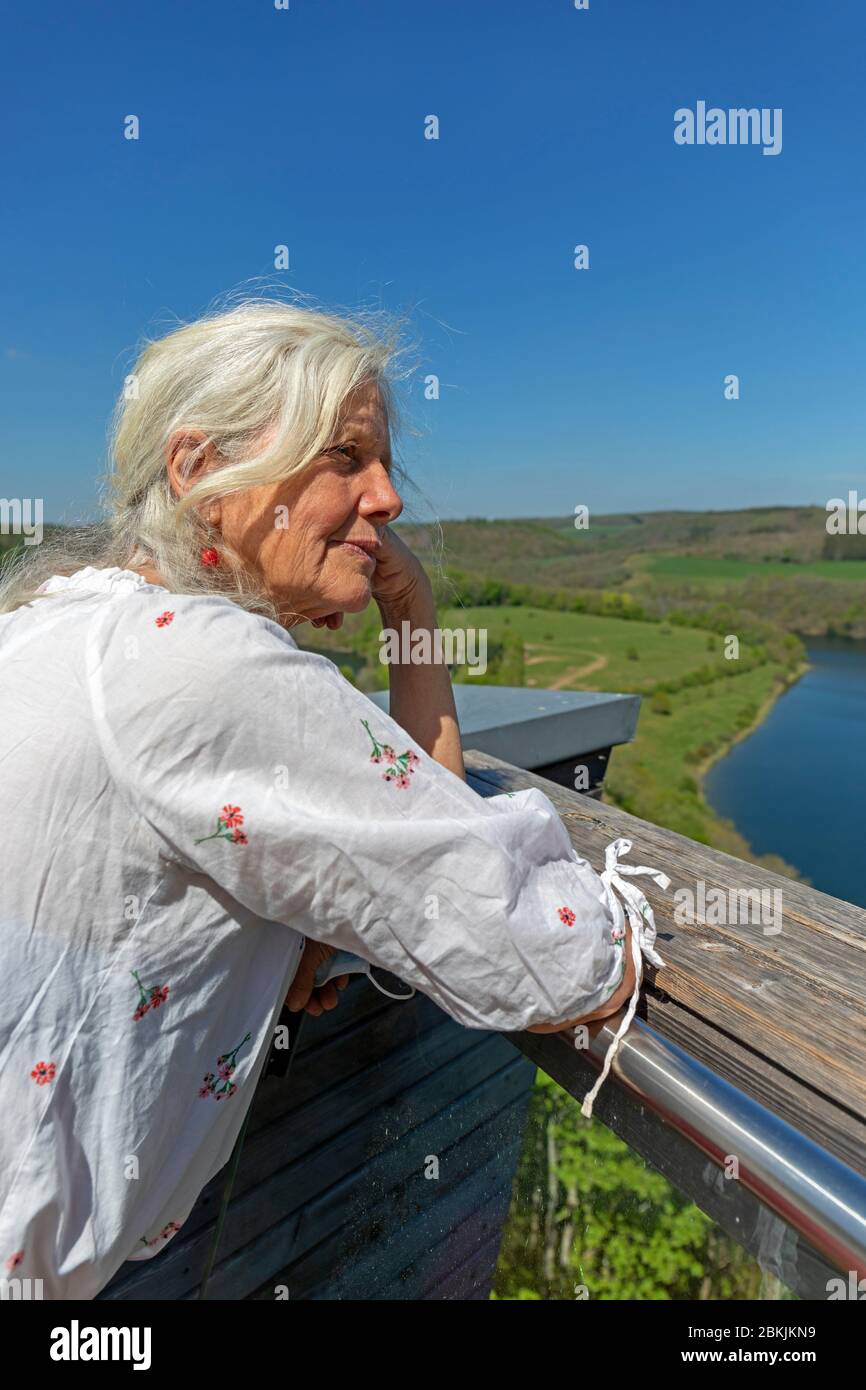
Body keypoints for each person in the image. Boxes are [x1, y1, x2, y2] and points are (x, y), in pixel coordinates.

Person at [0, 296, 666, 1298]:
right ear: (197, 472)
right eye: (344, 457)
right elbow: (547, 951)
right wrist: (620, 926)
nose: (389, 497)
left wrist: (410, 604)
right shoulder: (203, 664)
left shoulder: (72, 624)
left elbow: (403, 844)